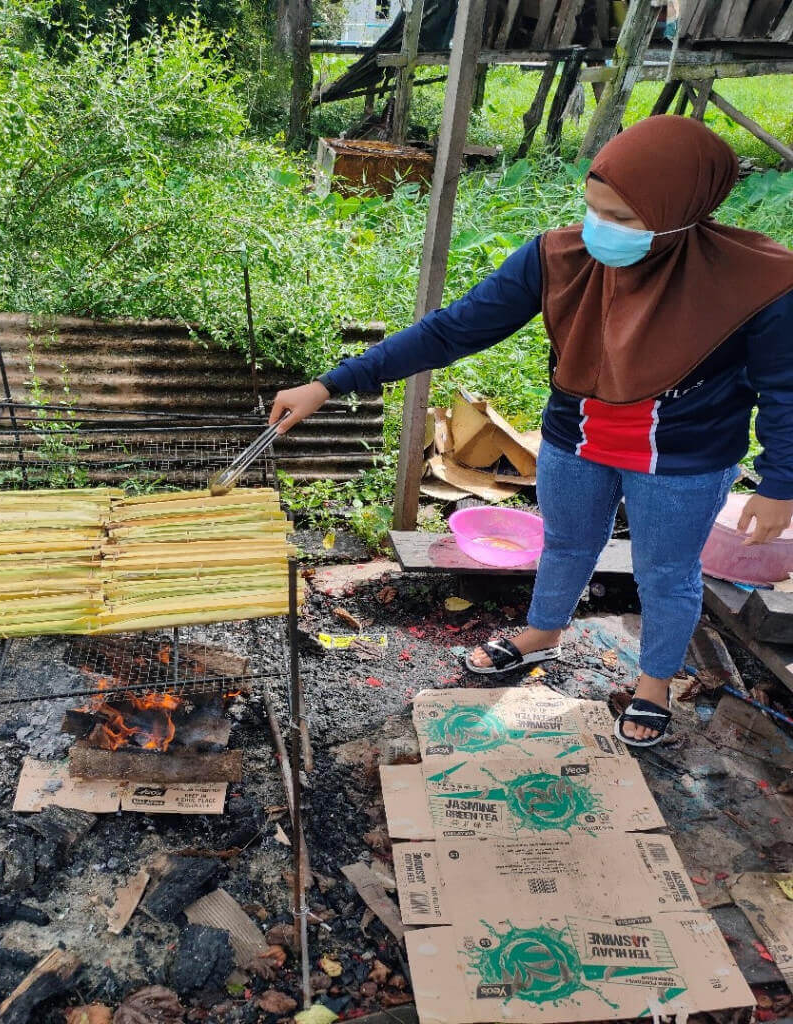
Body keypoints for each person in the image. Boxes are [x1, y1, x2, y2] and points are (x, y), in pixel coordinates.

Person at [269, 115, 793, 749]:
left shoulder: (759, 283)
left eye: (626, 219)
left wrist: (780, 482)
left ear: (682, 211)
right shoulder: (558, 257)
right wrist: (328, 383)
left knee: (665, 571)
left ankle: (653, 683)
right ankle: (543, 632)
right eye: (594, 209)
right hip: (577, 438)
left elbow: (785, 389)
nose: (603, 229)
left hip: (683, 457)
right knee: (568, 543)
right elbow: (451, 329)